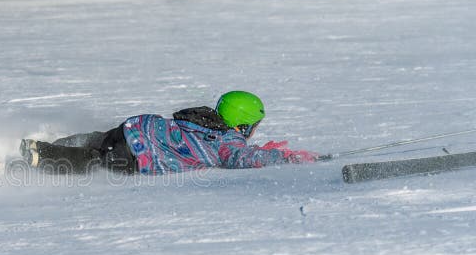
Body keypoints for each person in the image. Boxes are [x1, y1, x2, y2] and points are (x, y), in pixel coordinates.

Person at [19, 91, 318, 175]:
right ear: (242, 125)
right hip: (140, 155)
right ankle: (42, 158)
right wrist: (284, 158)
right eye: (252, 128)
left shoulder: (206, 120)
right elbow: (242, 158)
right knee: (94, 159)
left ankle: (45, 145)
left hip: (135, 128)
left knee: (99, 140)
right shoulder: (225, 142)